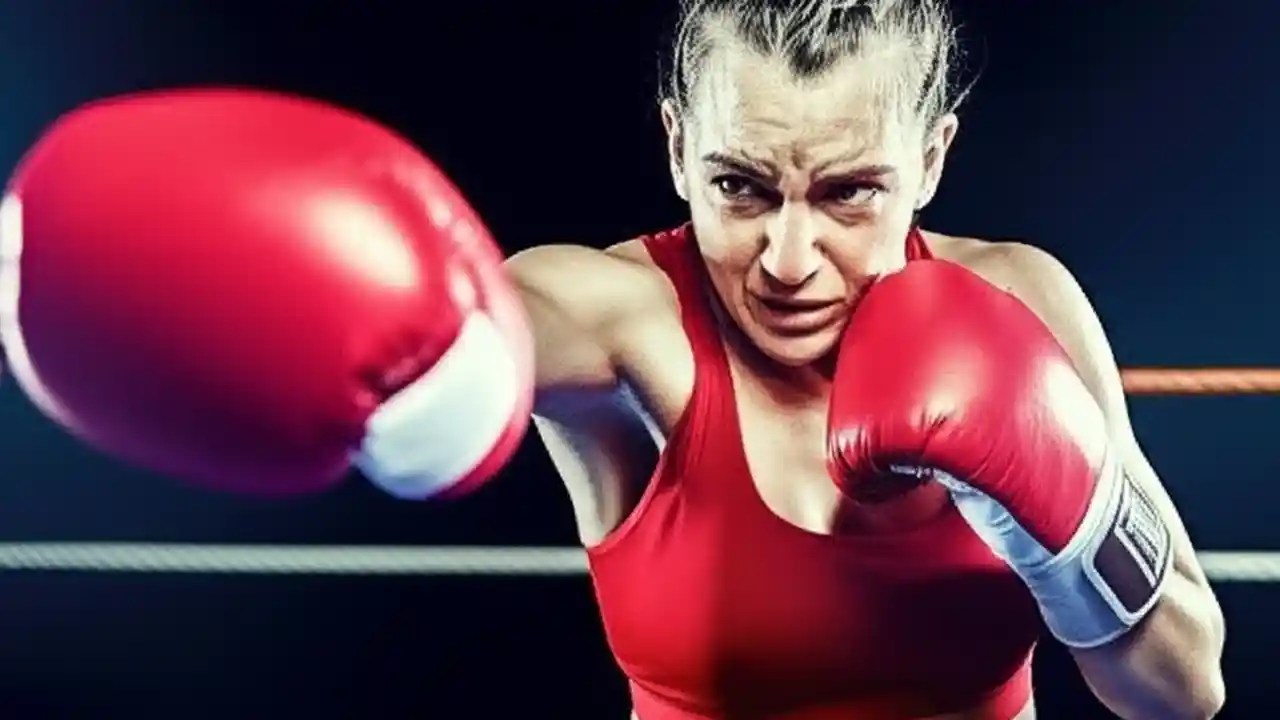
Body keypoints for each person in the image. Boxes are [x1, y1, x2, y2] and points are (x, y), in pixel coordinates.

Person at [1, 1, 1226, 718]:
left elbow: (1180, 693)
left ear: (935, 158)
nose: (787, 258)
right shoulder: (623, 318)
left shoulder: (1019, 300)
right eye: (738, 187)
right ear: (675, 143)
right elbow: (491, 310)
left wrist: (1065, 524)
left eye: (850, 194)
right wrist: (329, 313)